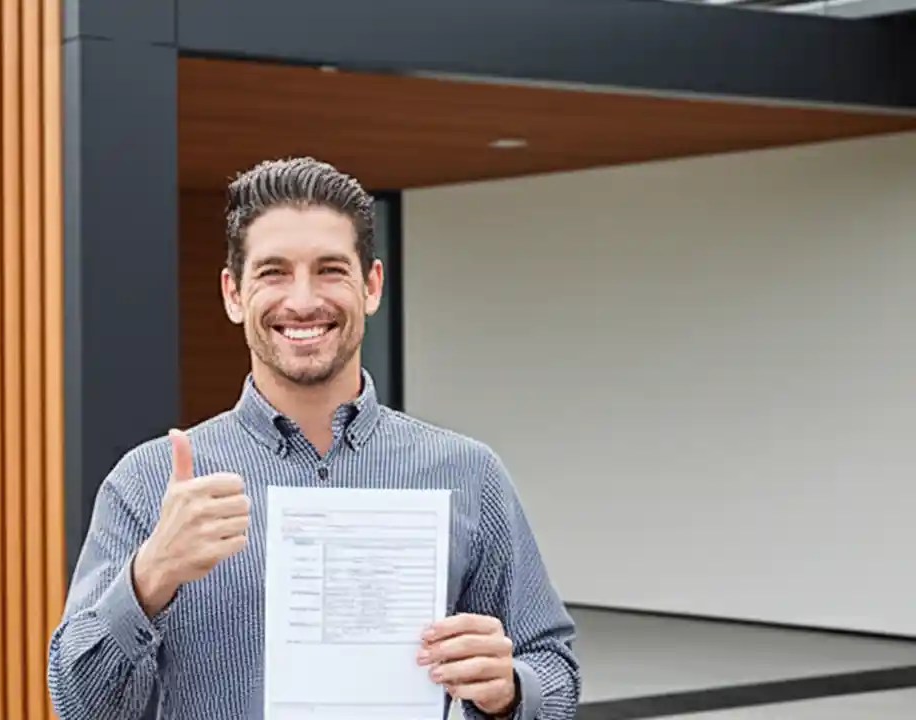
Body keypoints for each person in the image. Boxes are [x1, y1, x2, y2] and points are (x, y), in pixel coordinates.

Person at [47, 157, 580, 719]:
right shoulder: (149, 483)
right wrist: (151, 576)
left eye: (330, 270)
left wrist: (509, 689)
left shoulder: (467, 473)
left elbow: (555, 673)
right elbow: (79, 705)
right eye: (273, 272)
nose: (302, 301)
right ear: (233, 294)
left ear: (371, 286)